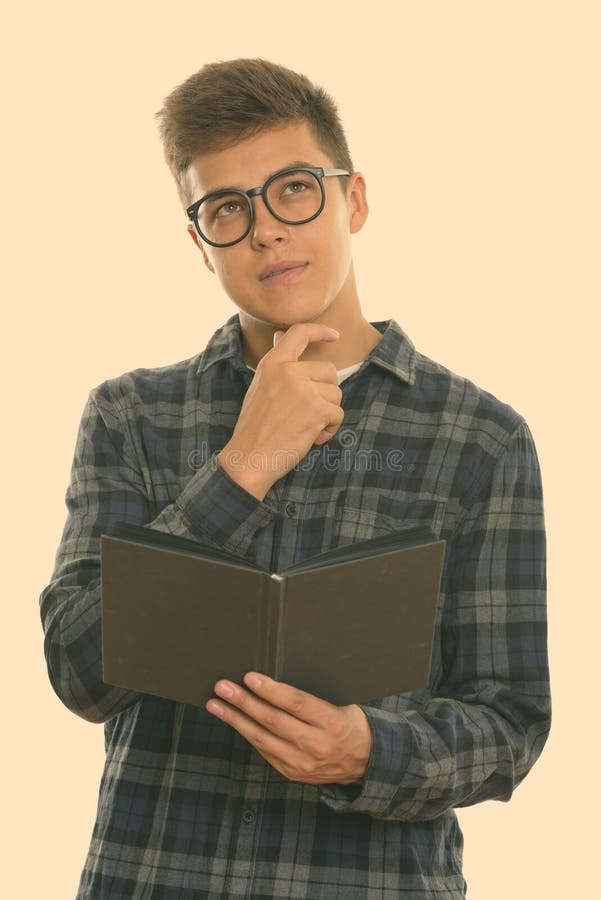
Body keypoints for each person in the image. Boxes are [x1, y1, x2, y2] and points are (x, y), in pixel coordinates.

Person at [39, 58, 551, 899]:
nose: (266, 231)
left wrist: (368, 751)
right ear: (200, 243)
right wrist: (241, 466)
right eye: (226, 208)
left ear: (353, 200)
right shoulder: (130, 415)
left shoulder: (480, 438)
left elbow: (509, 720)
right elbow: (78, 670)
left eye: (293, 191)